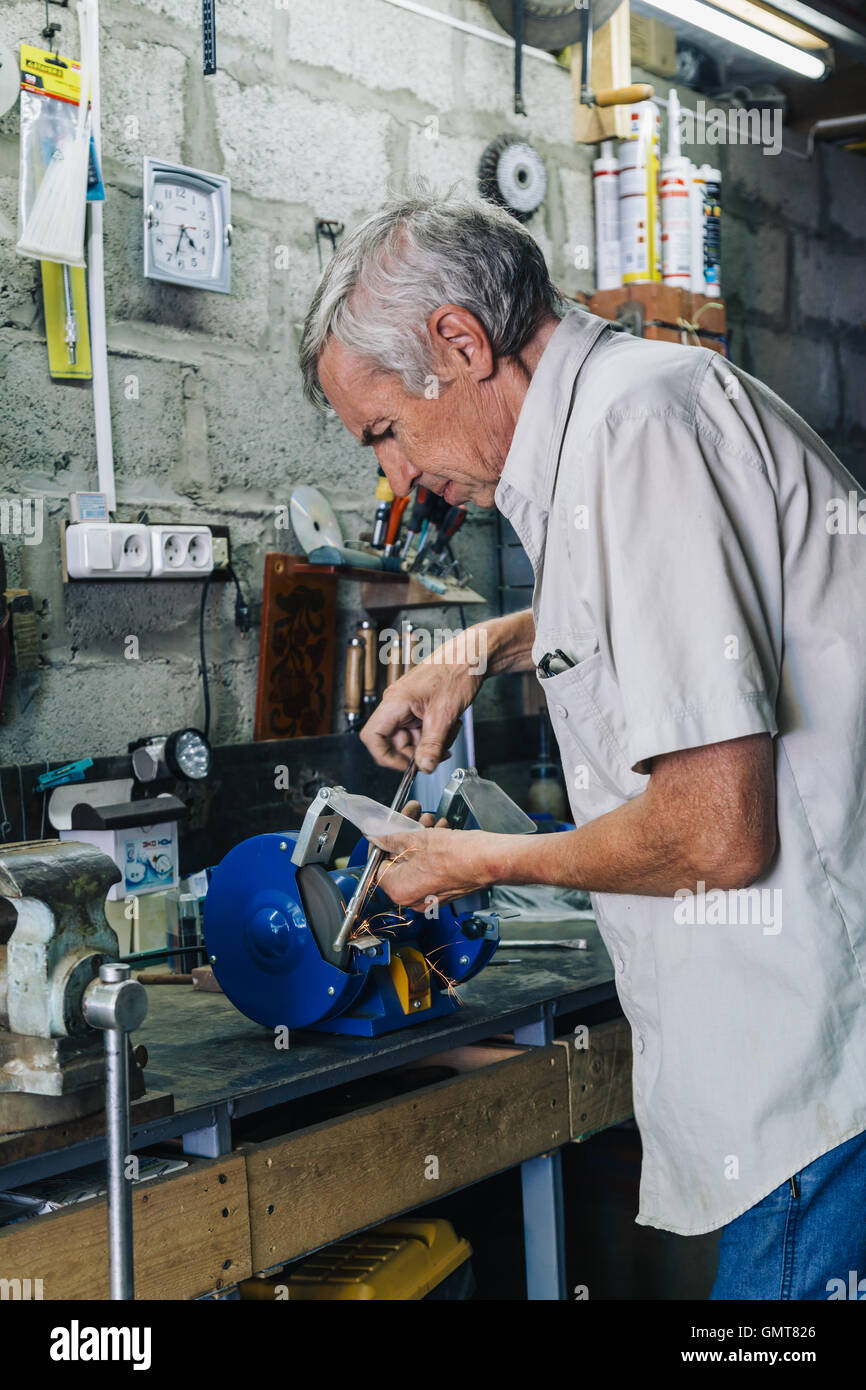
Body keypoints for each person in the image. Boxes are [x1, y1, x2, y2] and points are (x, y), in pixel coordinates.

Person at [299, 189, 866, 1299]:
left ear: (458, 343)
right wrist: (480, 651)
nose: (396, 479)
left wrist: (477, 863)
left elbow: (715, 833)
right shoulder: (633, 409)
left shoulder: (633, 433)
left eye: (383, 432)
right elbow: (678, 616)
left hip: (816, 1072)